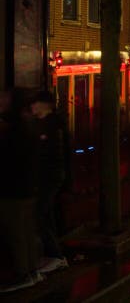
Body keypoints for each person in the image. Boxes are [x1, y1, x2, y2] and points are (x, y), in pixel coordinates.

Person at [0, 89, 42, 293]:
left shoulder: (12, 129)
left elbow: (9, 159)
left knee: (17, 231)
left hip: (13, 188)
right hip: (27, 186)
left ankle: (22, 273)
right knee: (26, 230)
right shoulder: (29, 125)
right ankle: (32, 270)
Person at [31, 90, 70, 274]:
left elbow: (50, 154)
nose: (32, 107)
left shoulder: (51, 126)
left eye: (35, 103)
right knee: (46, 214)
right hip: (49, 176)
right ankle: (54, 254)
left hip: (50, 176)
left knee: (41, 213)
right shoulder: (49, 124)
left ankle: (55, 255)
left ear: (44, 105)